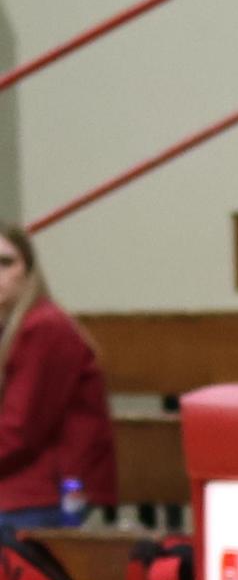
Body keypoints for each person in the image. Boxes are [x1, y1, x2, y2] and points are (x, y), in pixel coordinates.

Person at [0, 224, 114, 539]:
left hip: (43, 491)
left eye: (6, 263)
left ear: (29, 272)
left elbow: (20, 431)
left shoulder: (44, 328)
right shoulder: (13, 327)